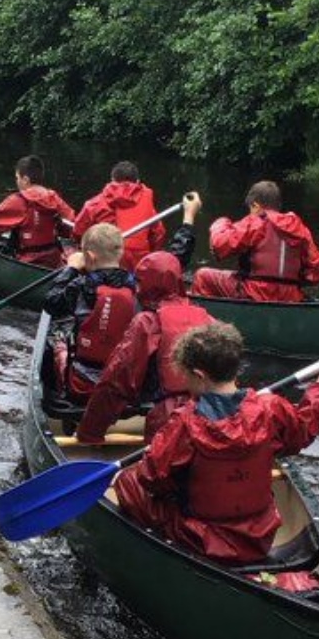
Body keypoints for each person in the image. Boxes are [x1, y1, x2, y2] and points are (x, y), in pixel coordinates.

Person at [112, 322, 319, 564]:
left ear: (200, 375)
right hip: (259, 536)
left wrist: (161, 459)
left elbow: (150, 479)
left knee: (127, 482)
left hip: (199, 537)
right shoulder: (272, 408)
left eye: (187, 376)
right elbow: (304, 430)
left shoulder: (184, 422)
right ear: (235, 369)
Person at [74, 192, 210, 444]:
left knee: (134, 484)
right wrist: (189, 218)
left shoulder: (147, 323)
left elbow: (116, 383)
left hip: (167, 420)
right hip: (211, 418)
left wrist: (89, 434)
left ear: (143, 286)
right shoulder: (209, 319)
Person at [42, 223, 137, 402]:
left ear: (89, 257)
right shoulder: (136, 289)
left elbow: (51, 302)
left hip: (81, 386)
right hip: (119, 384)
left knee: (54, 341)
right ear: (121, 253)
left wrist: (70, 269)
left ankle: (53, 398)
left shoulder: (81, 286)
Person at [191, 180, 319, 303]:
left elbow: (219, 245)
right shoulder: (300, 228)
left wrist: (221, 223)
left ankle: (202, 322)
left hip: (255, 292)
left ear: (255, 206)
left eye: (250, 209)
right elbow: (316, 271)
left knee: (202, 275)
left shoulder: (256, 222)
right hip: (291, 296)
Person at [0, 155, 75, 267]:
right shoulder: (54, 197)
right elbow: (72, 225)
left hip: (29, 261)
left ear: (25, 179)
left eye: (17, 178)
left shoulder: (20, 200)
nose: (17, 182)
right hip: (53, 260)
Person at [71, 161, 166, 271]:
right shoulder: (148, 206)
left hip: (106, 263)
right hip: (139, 264)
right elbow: (159, 234)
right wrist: (150, 256)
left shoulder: (94, 204)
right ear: (138, 182)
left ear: (112, 180)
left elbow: (78, 232)